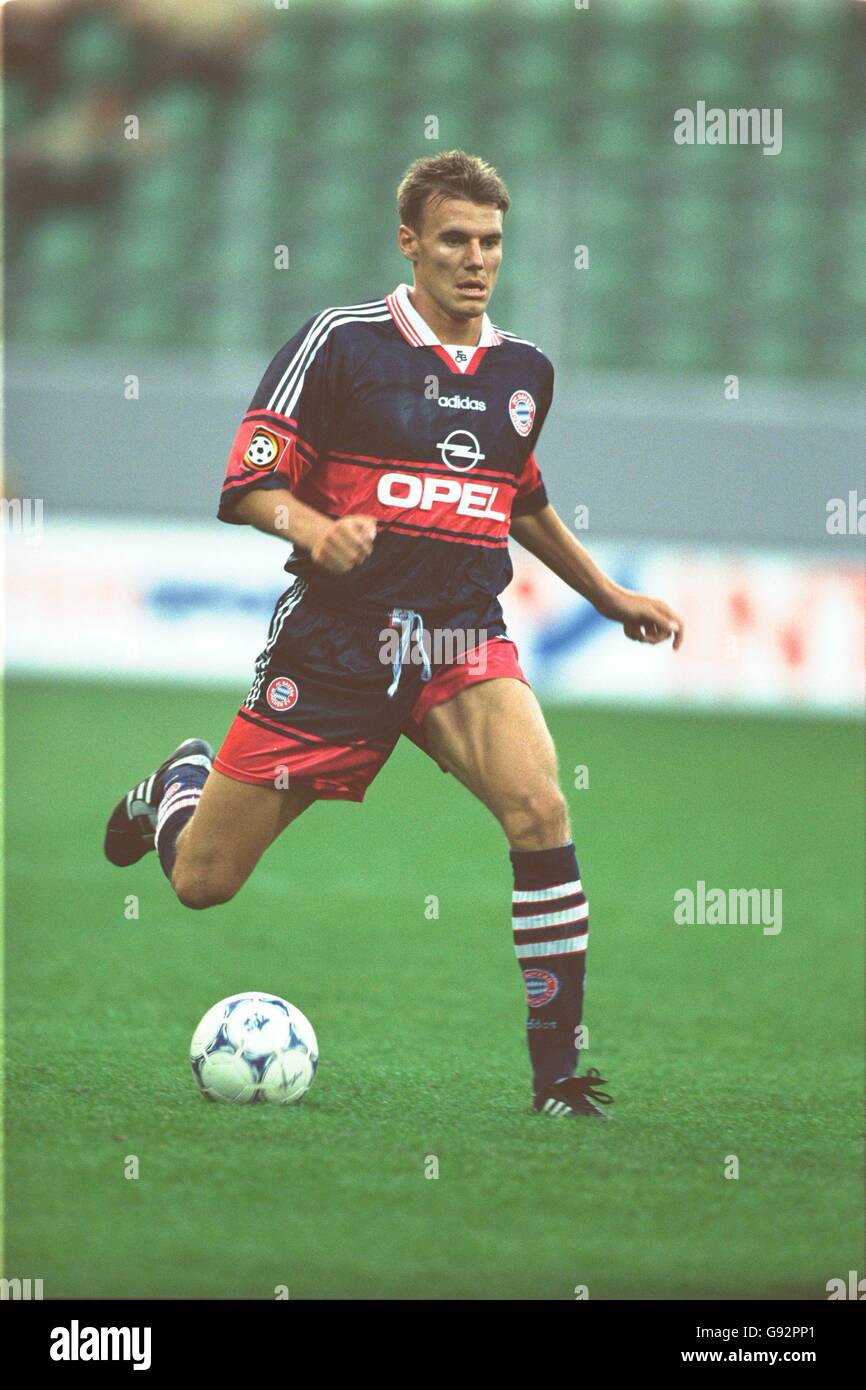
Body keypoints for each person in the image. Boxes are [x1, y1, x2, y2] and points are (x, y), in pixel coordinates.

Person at [104, 150, 684, 1118]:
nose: (475, 259)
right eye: (454, 239)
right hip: (334, 645)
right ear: (409, 242)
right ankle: (179, 782)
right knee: (204, 882)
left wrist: (605, 593)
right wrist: (315, 529)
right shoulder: (339, 343)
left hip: (457, 639)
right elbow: (247, 484)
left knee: (539, 808)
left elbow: (519, 499)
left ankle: (556, 1077)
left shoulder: (523, 372)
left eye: (490, 241)